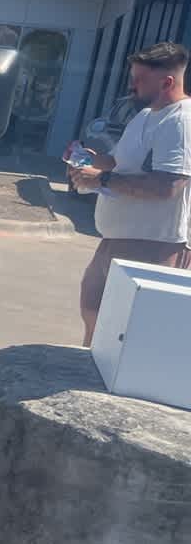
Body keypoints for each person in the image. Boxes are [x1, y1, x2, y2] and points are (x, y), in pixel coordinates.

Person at [70, 41, 191, 345]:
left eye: (140, 79)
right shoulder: (145, 115)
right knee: (93, 311)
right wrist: (88, 160)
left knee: (124, 336)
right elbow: (121, 164)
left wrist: (102, 181)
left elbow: (169, 186)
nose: (132, 85)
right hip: (116, 238)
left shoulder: (181, 121)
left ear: (167, 82)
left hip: (153, 245)